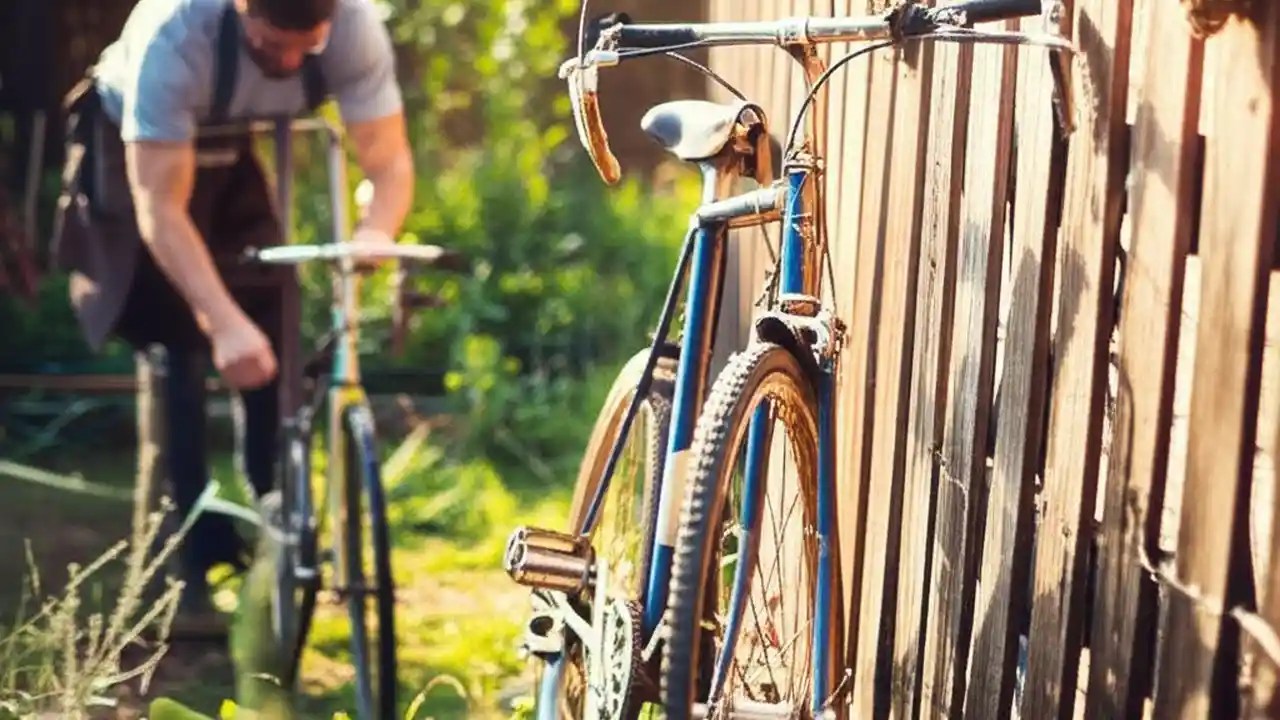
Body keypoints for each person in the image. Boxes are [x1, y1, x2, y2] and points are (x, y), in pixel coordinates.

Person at [51, 0, 414, 632]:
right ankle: (185, 567)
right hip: (134, 150)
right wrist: (221, 323)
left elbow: (388, 163)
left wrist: (373, 233)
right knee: (179, 337)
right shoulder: (177, 39)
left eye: (309, 49)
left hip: (232, 137)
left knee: (272, 310)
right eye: (274, 48)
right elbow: (161, 209)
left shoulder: (355, 27)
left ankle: (274, 518)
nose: (292, 63)